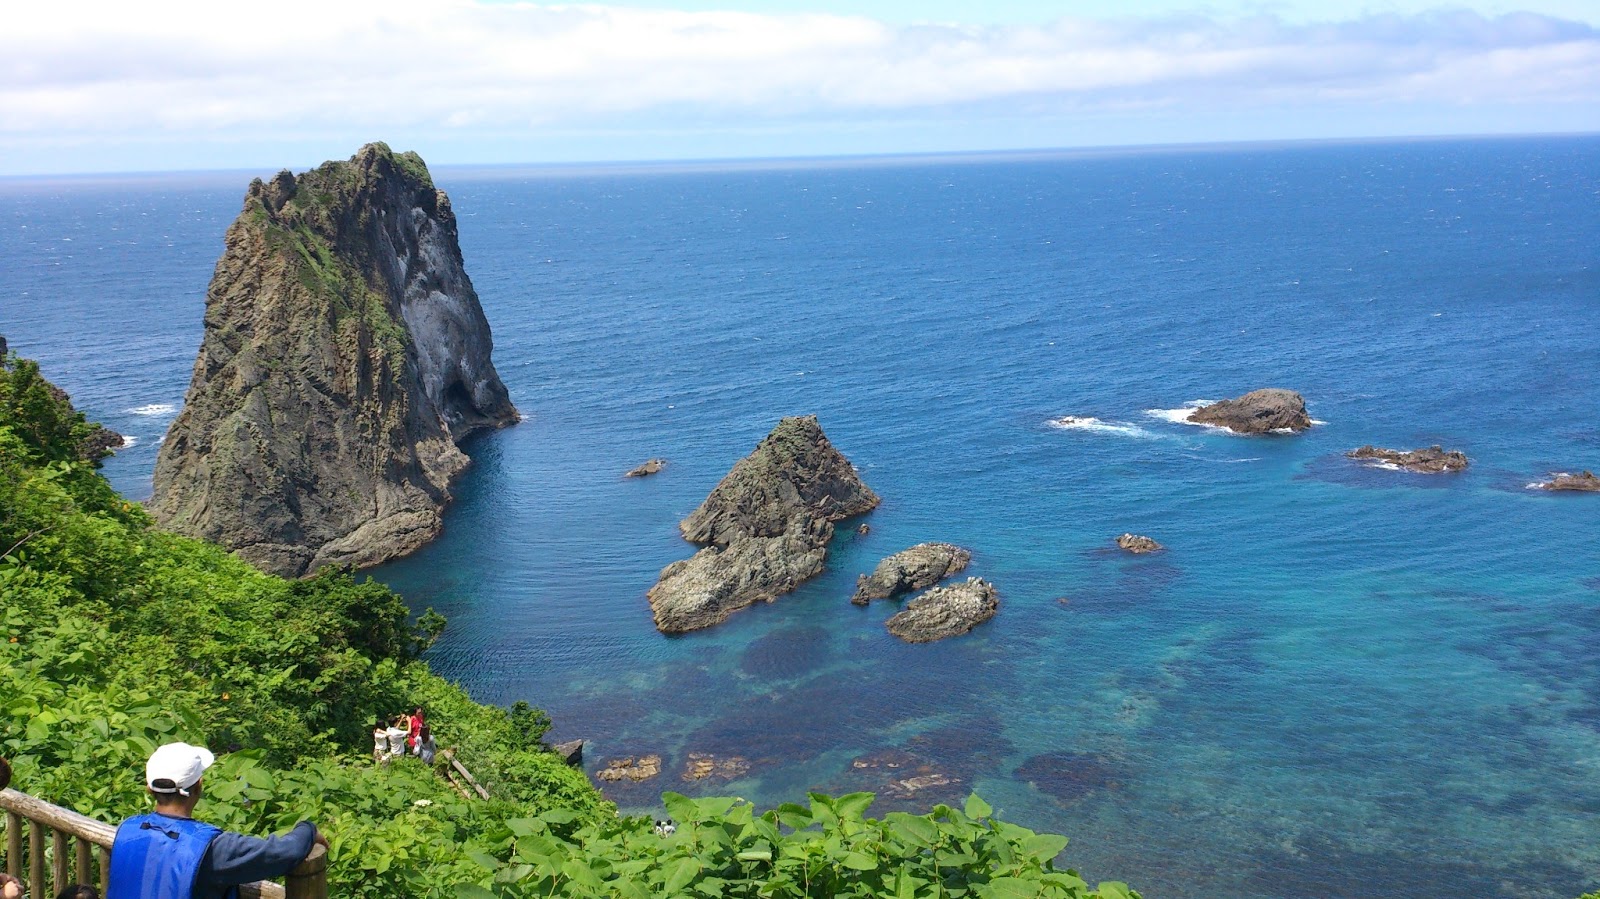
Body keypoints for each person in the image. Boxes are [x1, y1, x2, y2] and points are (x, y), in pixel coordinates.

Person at [106, 742, 327, 899]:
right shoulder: (214, 849)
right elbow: (284, 852)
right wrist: (308, 829)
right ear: (199, 786)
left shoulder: (128, 829)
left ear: (149, 789)